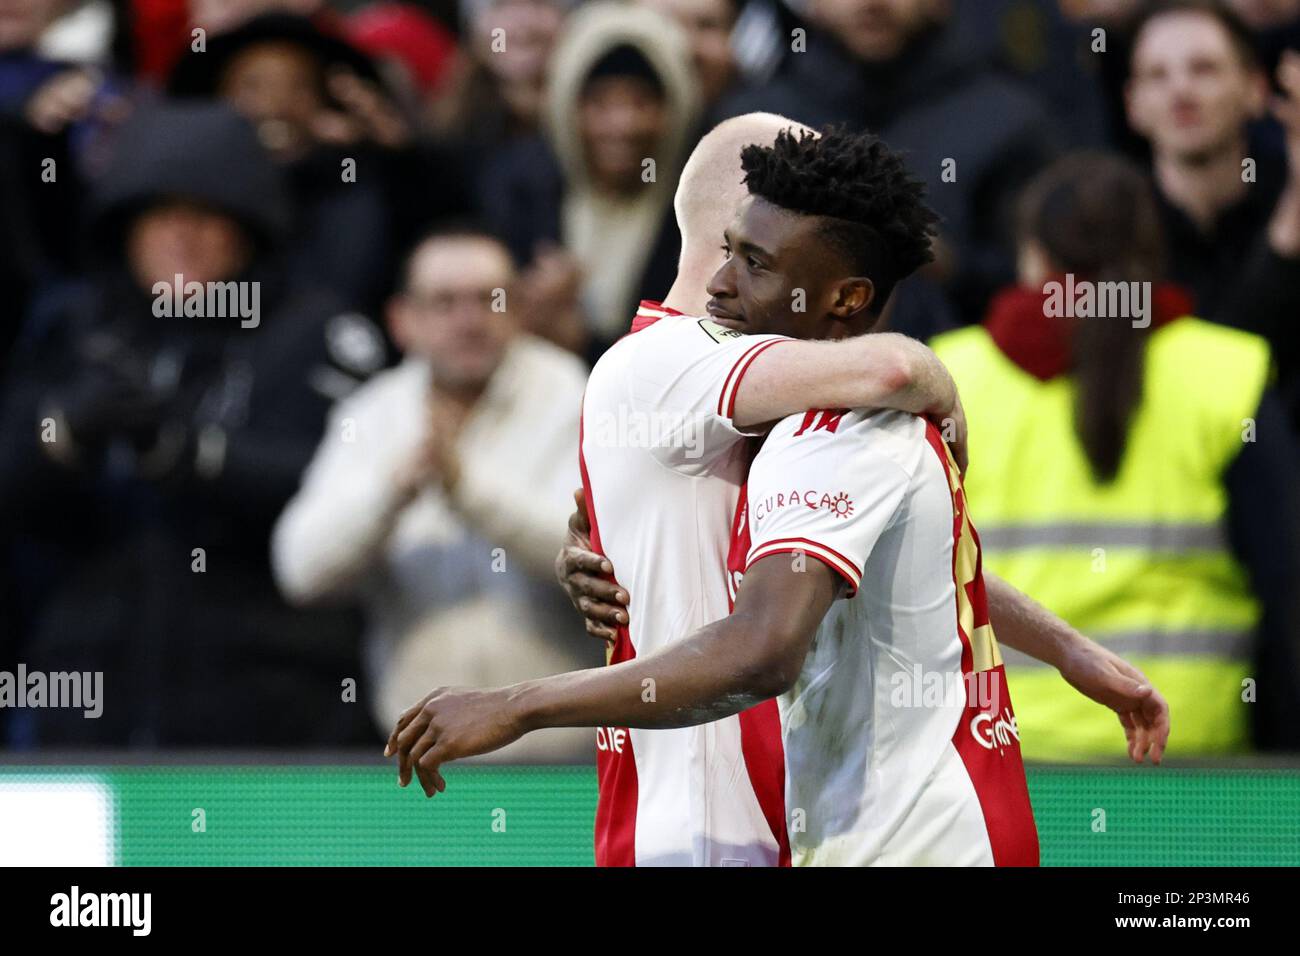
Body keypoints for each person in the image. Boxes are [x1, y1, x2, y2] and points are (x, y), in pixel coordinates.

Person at [386, 122, 1169, 867]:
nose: (730, 281)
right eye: (736, 251)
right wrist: (923, 370)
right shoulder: (690, 369)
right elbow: (891, 380)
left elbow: (787, 633)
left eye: (757, 261)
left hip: (854, 834)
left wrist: (518, 704)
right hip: (710, 828)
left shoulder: (823, 415)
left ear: (840, 290)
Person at [0, 102, 384, 747]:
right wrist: (63, 433)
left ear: (249, 228)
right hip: (85, 690)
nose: (182, 235)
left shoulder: (316, 332)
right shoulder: (73, 328)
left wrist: (191, 457)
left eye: (205, 215)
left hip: (275, 690)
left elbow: (346, 488)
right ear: (125, 227)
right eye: (160, 215)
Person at [930, 151, 1300, 757]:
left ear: (1036, 257)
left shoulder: (947, 375)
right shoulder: (1228, 372)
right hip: (1184, 750)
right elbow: (1285, 587)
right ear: (1150, 254)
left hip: (998, 748)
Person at [271, 226, 600, 760]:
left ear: (517, 310)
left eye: (487, 300)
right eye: (444, 303)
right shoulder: (372, 413)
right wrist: (393, 492)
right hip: (425, 760)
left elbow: (600, 559)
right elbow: (300, 570)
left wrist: (464, 488)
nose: (468, 321)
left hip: (568, 758)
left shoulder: (576, 396)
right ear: (403, 321)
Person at [476, 1, 700, 361]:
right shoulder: (520, 191)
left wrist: (584, 341)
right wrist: (522, 306)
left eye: (642, 102)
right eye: (599, 103)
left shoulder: (701, 215)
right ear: (566, 109)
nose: (622, 126)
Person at [1124, 0, 1300, 429]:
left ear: (1256, 89)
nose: (1181, 91)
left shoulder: (1284, 188)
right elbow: (1206, 380)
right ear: (1133, 104)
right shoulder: (1111, 226)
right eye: (1158, 75)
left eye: (1204, 69)